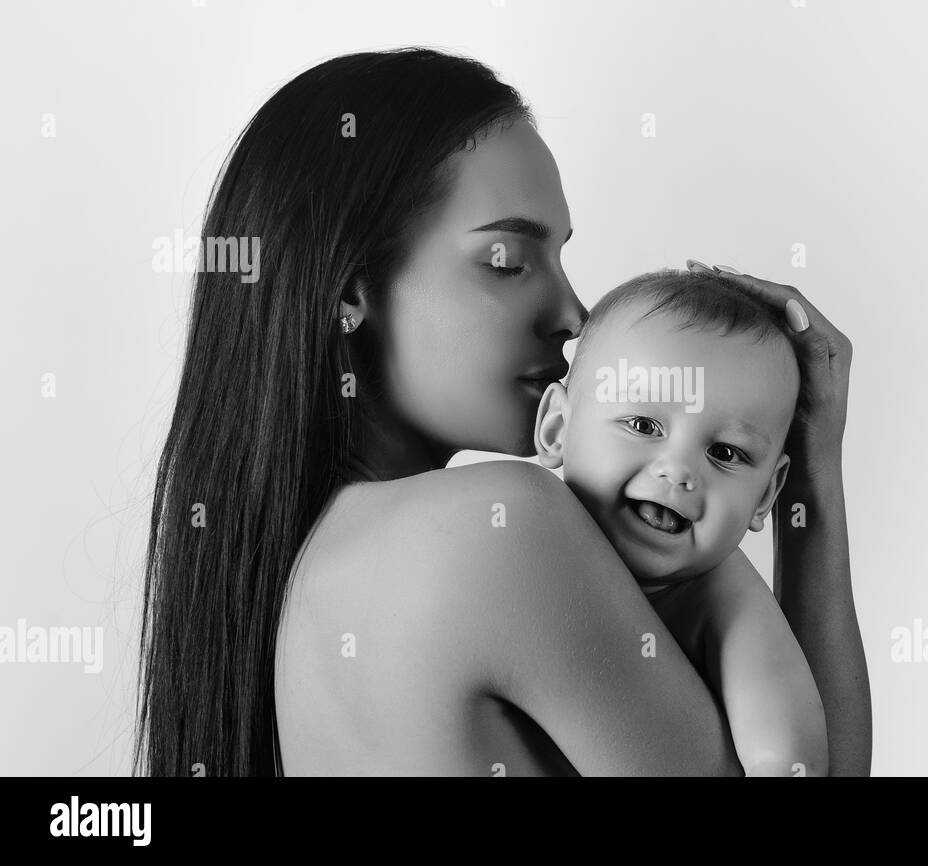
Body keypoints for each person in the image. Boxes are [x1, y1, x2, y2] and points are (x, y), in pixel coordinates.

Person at [135, 47, 870, 777]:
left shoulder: (301, 574)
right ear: (350, 292)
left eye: (560, 259)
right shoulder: (504, 524)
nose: (574, 315)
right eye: (507, 260)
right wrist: (799, 496)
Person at [533, 268, 828, 776]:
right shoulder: (516, 530)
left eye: (726, 452)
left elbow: (786, 760)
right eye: (644, 425)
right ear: (557, 427)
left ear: (766, 495)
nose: (680, 470)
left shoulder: (720, 597)